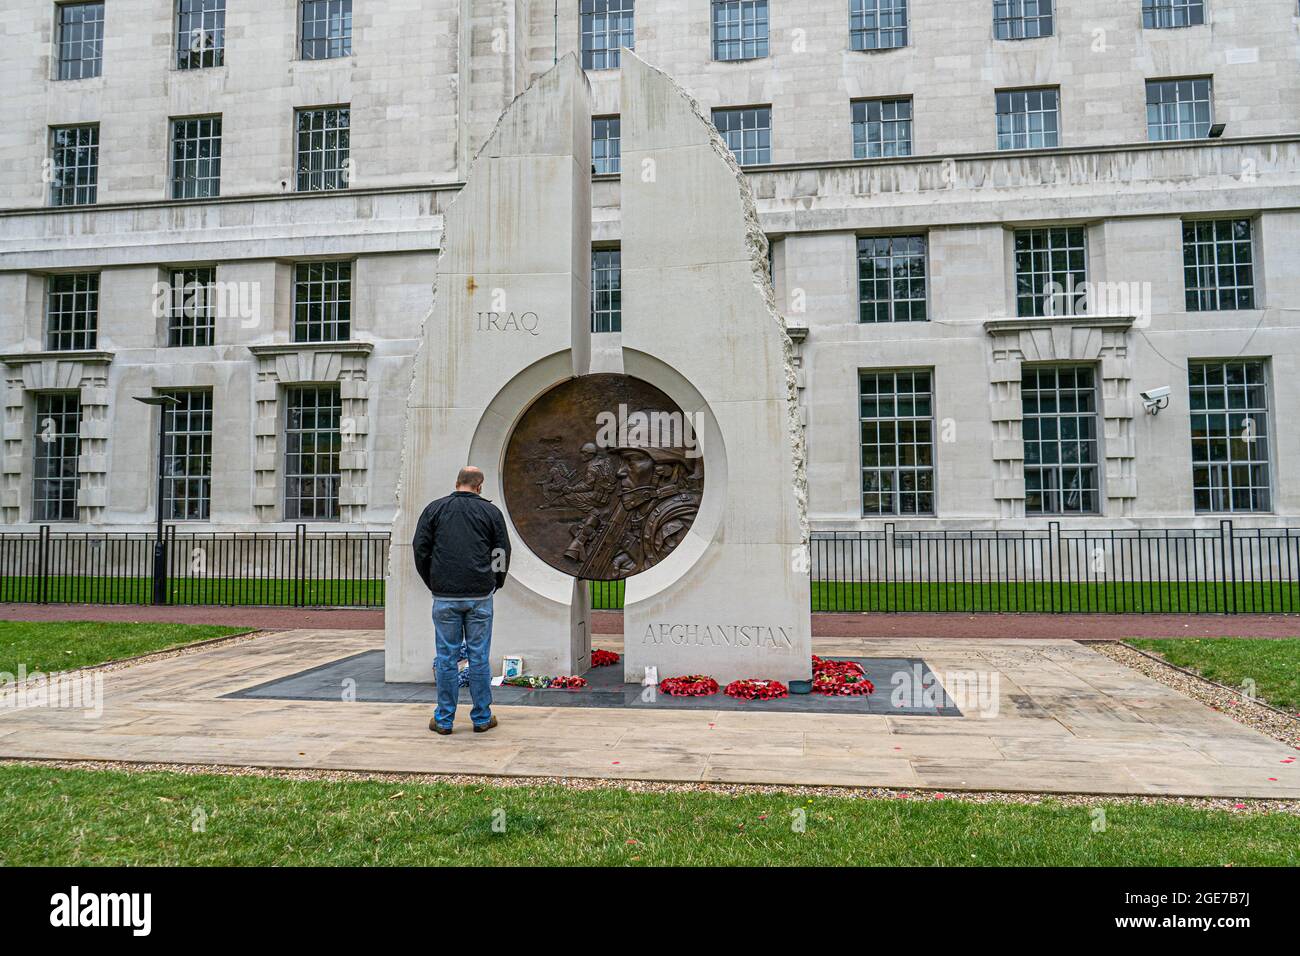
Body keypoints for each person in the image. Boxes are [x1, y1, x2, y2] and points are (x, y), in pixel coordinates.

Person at [412, 466, 511, 735]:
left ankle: (444, 719)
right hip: (479, 593)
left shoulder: (435, 509)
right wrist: (496, 581)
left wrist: (432, 579)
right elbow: (501, 550)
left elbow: (420, 548)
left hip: (445, 594)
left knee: (447, 657)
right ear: (480, 486)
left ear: (457, 482)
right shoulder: (491, 512)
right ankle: (481, 717)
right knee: (479, 657)